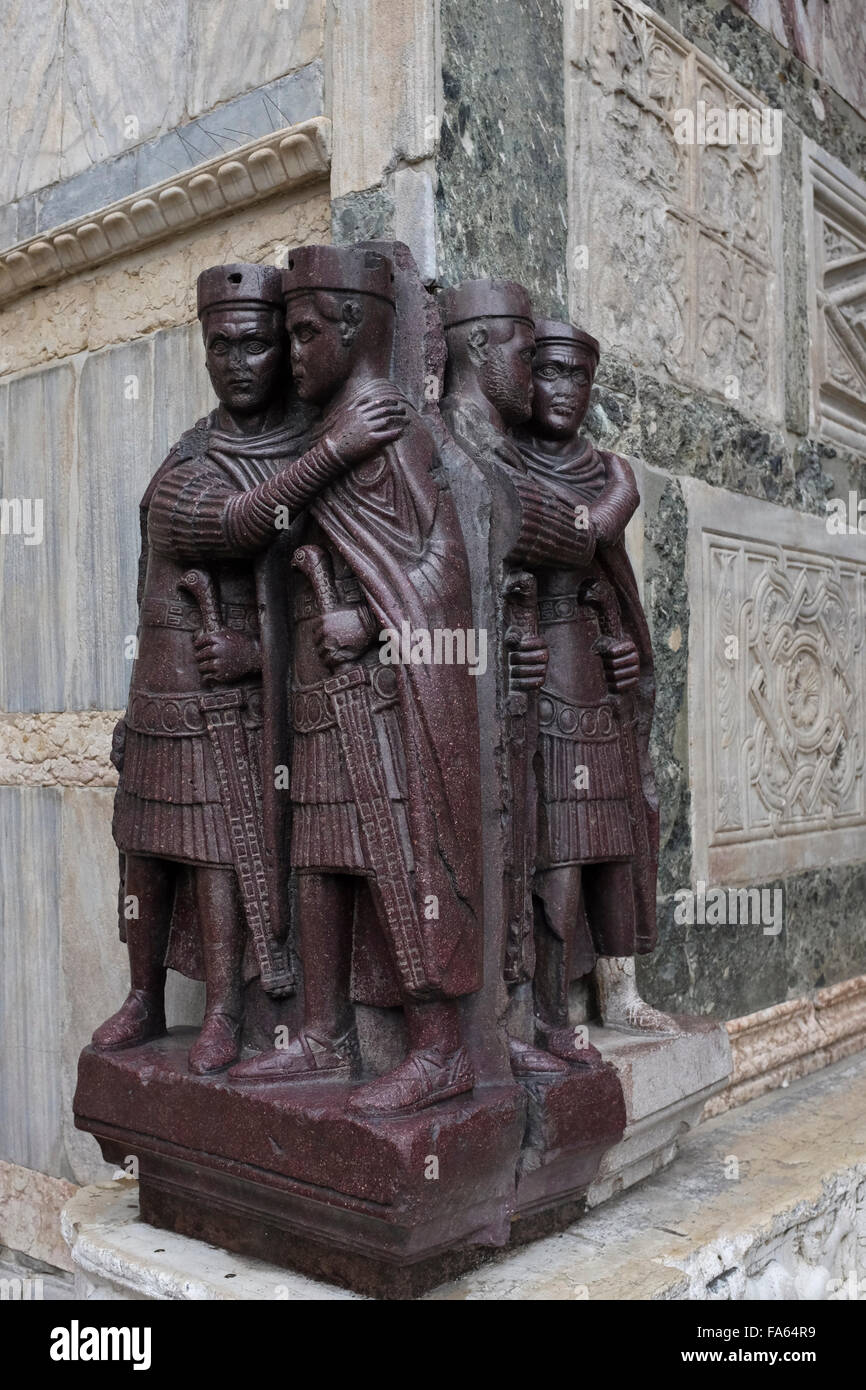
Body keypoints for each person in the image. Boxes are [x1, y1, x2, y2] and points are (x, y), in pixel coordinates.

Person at [93, 262, 404, 1074]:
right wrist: (336, 446)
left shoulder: (310, 442)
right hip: (165, 682)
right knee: (146, 852)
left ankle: (228, 1011)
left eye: (259, 344)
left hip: (241, 704)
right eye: (220, 345)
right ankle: (142, 994)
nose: (237, 361)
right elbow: (235, 525)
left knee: (216, 852)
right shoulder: (193, 456)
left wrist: (259, 654)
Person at [229, 245, 485, 1118]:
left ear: (355, 327)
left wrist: (373, 621)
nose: (292, 353)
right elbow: (256, 524)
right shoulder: (332, 432)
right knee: (322, 861)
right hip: (317, 692)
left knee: (400, 860)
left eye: (304, 333)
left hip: (382, 693)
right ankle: (322, 1032)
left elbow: (443, 561)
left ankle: (441, 1048)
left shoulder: (394, 428)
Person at [514, 318, 677, 1038]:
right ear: (524, 379)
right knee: (560, 847)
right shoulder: (509, 468)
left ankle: (620, 990)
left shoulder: (605, 468)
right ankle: (558, 1000)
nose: (563, 390)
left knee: (615, 841)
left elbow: (613, 583)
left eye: (577, 376)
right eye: (548, 372)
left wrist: (625, 651)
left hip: (594, 680)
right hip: (540, 676)